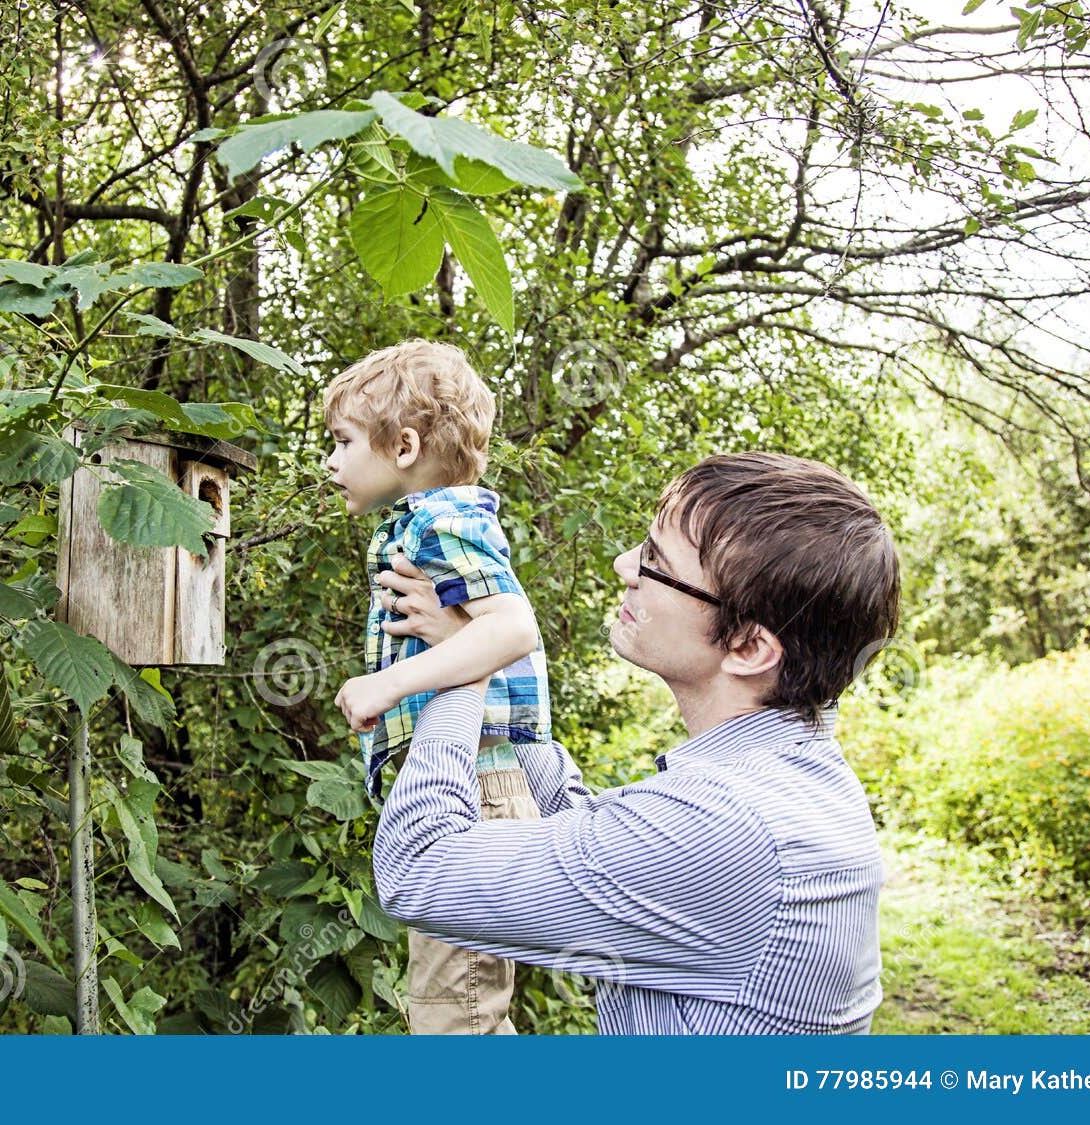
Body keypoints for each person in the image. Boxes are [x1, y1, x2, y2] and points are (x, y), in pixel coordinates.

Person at [371, 452, 900, 1033]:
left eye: (655, 561)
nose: (625, 565)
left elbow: (415, 870)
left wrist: (459, 669)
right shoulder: (792, 779)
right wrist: (489, 650)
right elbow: (597, 840)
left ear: (749, 648)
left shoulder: (725, 825)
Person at [322, 338, 553, 1034]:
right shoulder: (429, 523)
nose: (330, 461)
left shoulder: (440, 523)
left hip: (477, 793)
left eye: (343, 441)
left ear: (404, 446)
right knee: (462, 1007)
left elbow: (514, 627)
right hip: (469, 784)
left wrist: (388, 684)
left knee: (456, 1015)